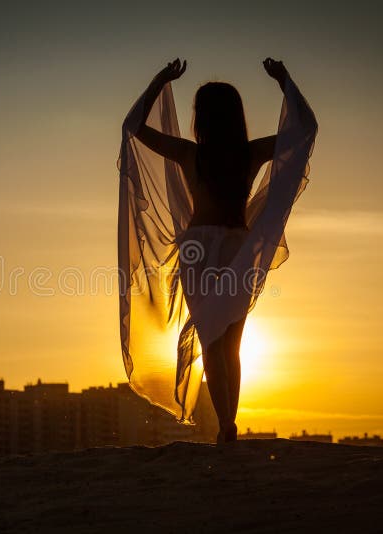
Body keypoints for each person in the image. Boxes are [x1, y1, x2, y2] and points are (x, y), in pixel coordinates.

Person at [117, 57, 316, 444]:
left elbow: (133, 126)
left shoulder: (192, 154)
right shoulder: (249, 153)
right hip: (236, 251)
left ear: (202, 118)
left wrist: (159, 79)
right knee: (231, 343)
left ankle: (226, 423)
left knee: (213, 339)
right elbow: (306, 128)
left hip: (200, 249)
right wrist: (285, 81)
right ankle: (228, 424)